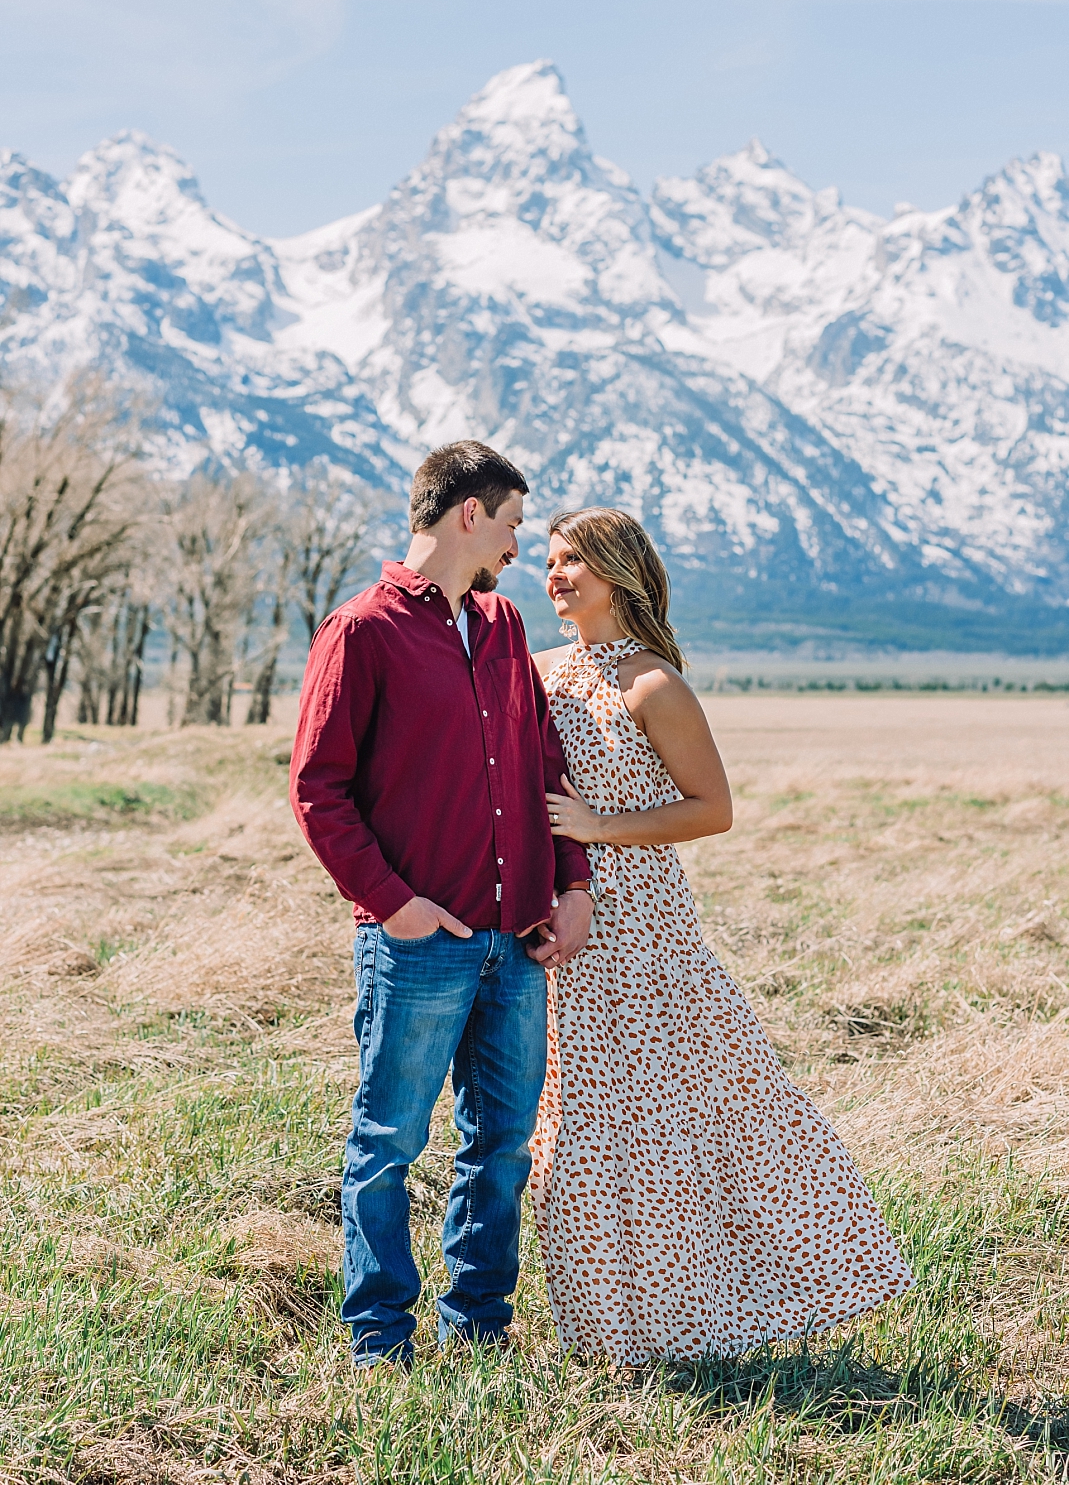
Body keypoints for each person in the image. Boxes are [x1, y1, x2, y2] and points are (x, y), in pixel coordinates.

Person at [528, 506, 913, 1365]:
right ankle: (606, 1335)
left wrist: (598, 826)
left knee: (667, 1124)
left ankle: (694, 1323)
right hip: (556, 926)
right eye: (548, 561)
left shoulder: (652, 684)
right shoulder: (537, 669)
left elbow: (714, 809)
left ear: (618, 571)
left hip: (645, 931)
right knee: (577, 1127)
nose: (554, 576)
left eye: (573, 562)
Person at [290, 442, 593, 1368]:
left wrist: (571, 884)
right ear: (469, 514)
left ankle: (481, 1329)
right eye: (508, 524)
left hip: (517, 940)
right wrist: (394, 904)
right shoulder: (360, 630)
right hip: (419, 945)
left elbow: (544, 767)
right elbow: (319, 788)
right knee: (387, 1142)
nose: (516, 549)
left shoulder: (502, 628)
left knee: (501, 1150)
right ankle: (381, 1339)